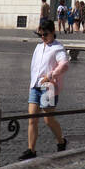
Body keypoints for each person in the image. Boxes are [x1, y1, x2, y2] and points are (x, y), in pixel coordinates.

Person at [20, 18, 68, 160]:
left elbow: (64, 65)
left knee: (48, 120)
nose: (43, 37)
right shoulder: (39, 47)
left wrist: (51, 75)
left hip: (48, 88)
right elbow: (34, 67)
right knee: (32, 119)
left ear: (53, 32)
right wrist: (31, 84)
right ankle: (31, 150)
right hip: (35, 86)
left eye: (45, 34)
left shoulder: (58, 48)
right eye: (40, 34)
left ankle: (61, 141)